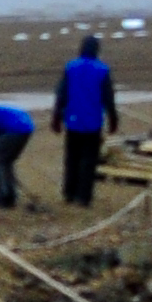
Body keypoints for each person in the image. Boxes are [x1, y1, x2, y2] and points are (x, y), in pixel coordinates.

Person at [55, 34, 120, 207]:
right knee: (88, 160)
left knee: (72, 158)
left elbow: (61, 94)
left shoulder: (71, 67)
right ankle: (83, 197)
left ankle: (69, 192)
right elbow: (109, 97)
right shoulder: (102, 70)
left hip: (73, 120)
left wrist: (56, 117)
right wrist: (113, 119)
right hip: (92, 122)